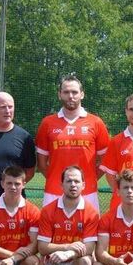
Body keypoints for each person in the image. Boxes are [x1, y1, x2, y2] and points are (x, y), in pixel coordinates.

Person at [35, 75, 111, 209]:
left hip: (87, 193)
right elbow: (41, 163)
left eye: (74, 92)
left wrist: (87, 181)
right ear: (59, 95)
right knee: (52, 230)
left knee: (88, 230)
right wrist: (61, 182)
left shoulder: (96, 122)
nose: (70, 96)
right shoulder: (47, 123)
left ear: (82, 94)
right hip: (54, 192)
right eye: (66, 92)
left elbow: (104, 161)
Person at [35, 166, 100, 265]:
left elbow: (89, 248)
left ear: (83, 185)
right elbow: (42, 248)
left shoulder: (91, 212)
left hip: (75, 262)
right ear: (61, 184)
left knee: (86, 260)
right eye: (69, 181)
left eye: (77, 181)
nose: (73, 185)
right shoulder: (48, 211)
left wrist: (68, 254)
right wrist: (67, 247)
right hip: (54, 263)